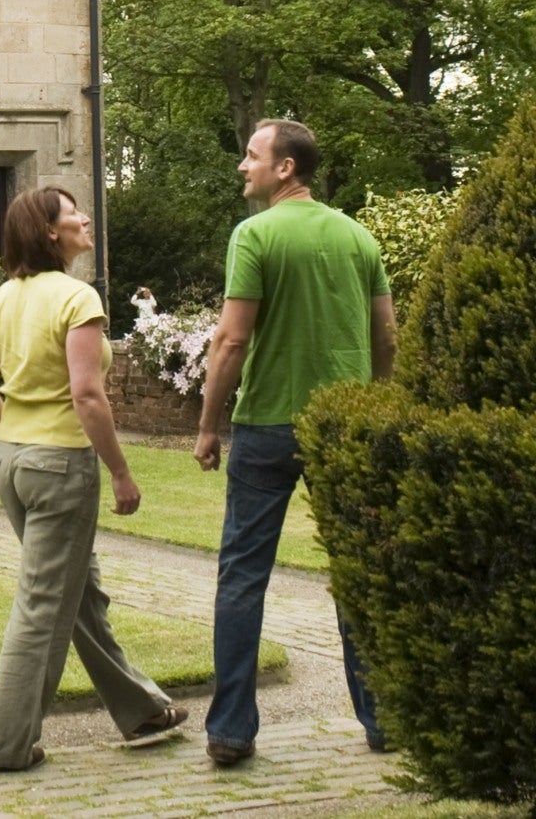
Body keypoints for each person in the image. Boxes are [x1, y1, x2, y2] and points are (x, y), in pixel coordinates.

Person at [192, 118, 396, 764]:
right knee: (357, 570)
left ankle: (230, 732)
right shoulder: (358, 236)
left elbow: (230, 339)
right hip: (344, 425)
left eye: (251, 156)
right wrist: (374, 404)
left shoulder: (254, 235)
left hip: (267, 427)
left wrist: (206, 424)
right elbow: (387, 336)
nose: (241, 166)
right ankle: (384, 720)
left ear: (286, 168)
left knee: (243, 577)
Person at [0, 185, 187, 771]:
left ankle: (139, 709)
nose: (85, 218)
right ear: (50, 234)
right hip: (61, 467)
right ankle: (5, 746)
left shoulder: (0, 300)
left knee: (77, 594)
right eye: (73, 214)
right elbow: (88, 395)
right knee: (43, 605)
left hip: (12, 464)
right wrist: (120, 472)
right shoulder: (78, 299)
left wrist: (16, 429)